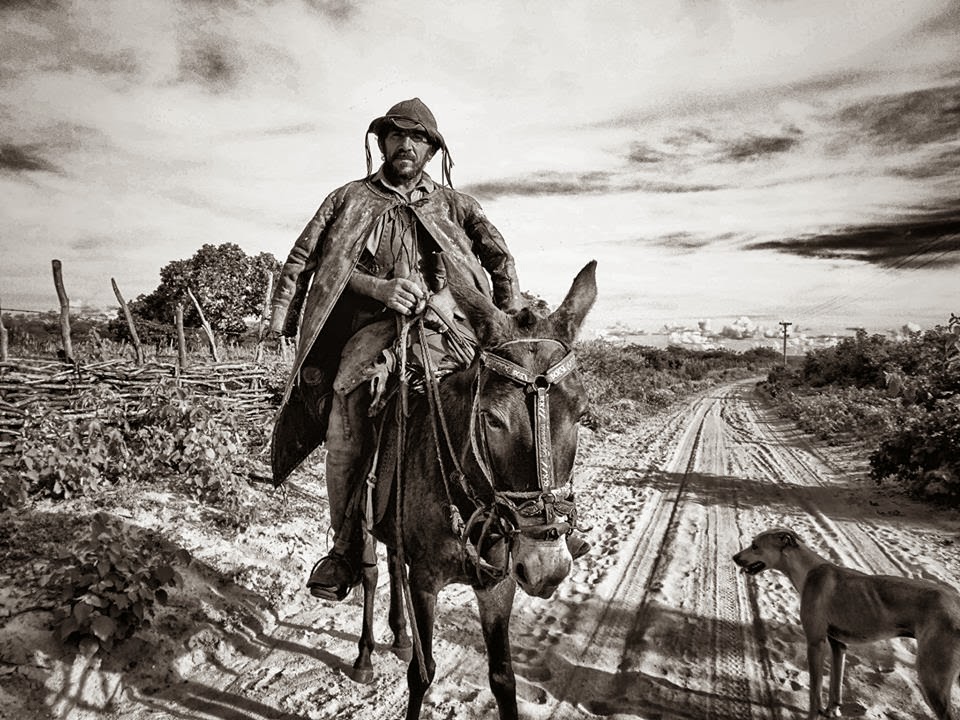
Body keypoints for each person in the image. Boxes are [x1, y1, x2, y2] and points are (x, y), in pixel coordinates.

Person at [267, 98, 586, 602]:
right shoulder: (349, 199)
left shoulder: (457, 206)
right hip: (372, 331)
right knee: (345, 422)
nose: (406, 145)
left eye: (418, 139)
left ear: (432, 151)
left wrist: (508, 320)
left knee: (521, 405)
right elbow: (308, 259)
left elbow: (498, 257)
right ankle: (345, 548)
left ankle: (548, 521)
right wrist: (374, 290)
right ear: (382, 143)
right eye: (396, 136)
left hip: (450, 326)